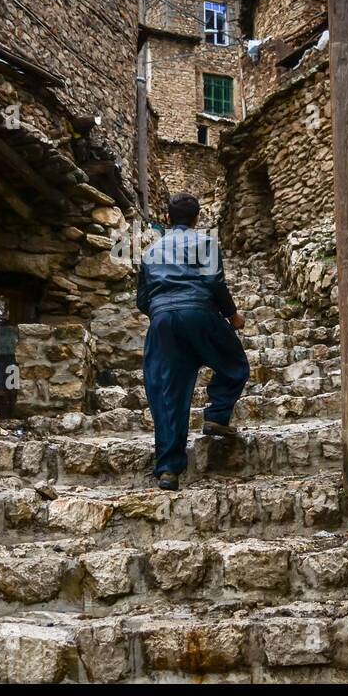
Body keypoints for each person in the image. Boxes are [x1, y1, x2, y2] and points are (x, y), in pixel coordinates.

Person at [135, 193, 250, 491]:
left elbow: (142, 300)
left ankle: (168, 469)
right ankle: (216, 415)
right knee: (234, 364)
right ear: (197, 218)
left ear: (167, 218)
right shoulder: (206, 243)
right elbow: (214, 282)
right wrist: (232, 314)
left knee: (167, 392)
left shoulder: (150, 252)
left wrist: (163, 313)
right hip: (200, 312)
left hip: (162, 321)